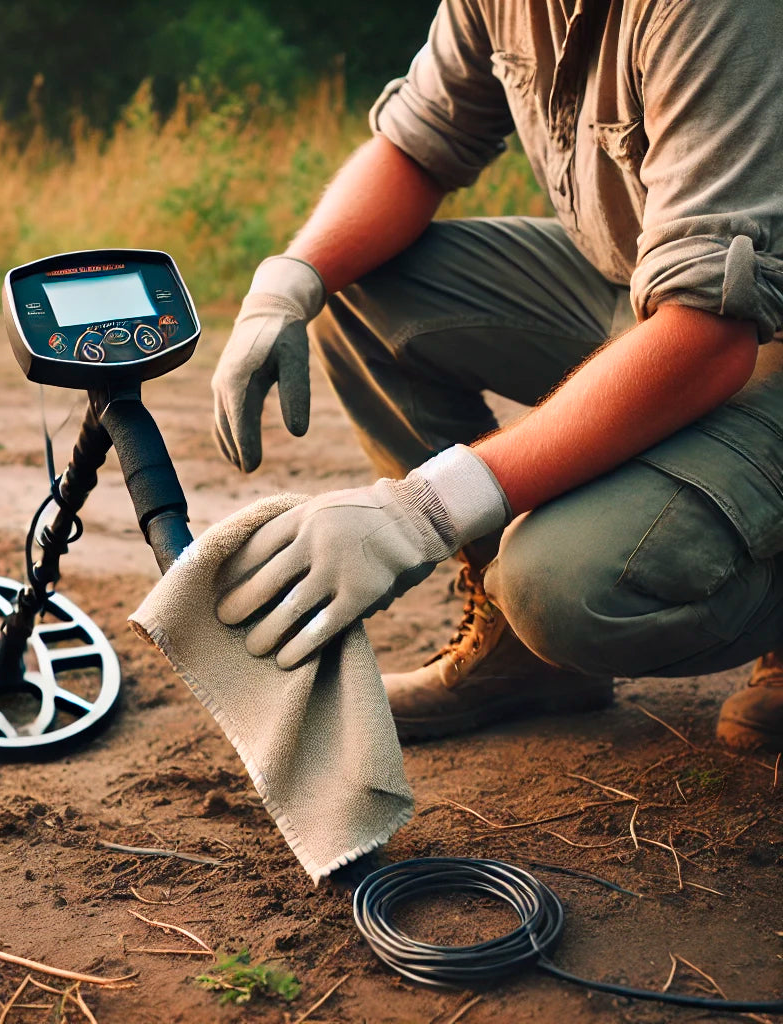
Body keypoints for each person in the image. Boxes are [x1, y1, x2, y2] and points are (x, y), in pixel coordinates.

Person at [209, 0, 783, 753]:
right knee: (351, 281)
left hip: (747, 321)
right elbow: (420, 146)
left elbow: (708, 334)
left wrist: (426, 510)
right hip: (642, 283)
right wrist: (288, 279)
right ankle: (523, 660)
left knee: (563, 585)